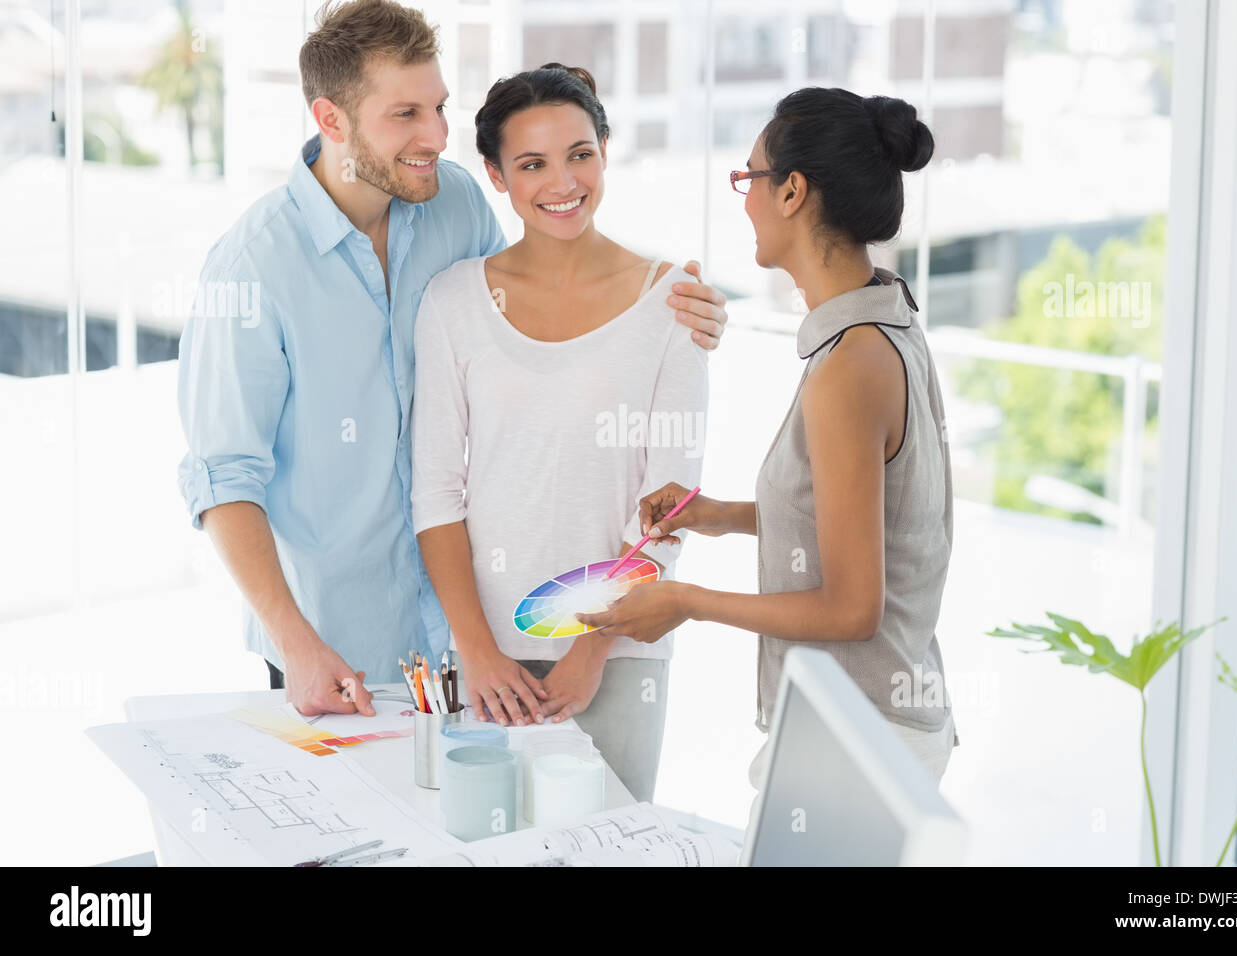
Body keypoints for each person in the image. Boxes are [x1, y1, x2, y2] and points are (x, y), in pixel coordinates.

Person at [175, 0, 728, 718]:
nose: (436, 136)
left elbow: (531, 318)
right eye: (405, 114)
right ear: (331, 119)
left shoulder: (455, 204)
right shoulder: (251, 270)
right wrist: (296, 642)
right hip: (339, 648)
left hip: (482, 632)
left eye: (438, 107)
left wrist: (673, 309)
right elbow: (222, 477)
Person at [576, 88, 959, 783]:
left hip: (859, 742)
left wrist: (684, 602)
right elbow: (865, 525)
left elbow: (852, 608)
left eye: (749, 177)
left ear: (792, 192)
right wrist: (719, 517)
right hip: (875, 729)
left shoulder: (850, 365)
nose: (744, 198)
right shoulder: (886, 321)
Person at [410, 64, 709, 802]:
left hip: (621, 648)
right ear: (496, 175)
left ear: (605, 149)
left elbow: (669, 502)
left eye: (580, 153)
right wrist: (476, 651)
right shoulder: (453, 302)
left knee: (612, 845)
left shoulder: (674, 302)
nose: (562, 181)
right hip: (488, 654)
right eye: (532, 164)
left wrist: (592, 646)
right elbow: (436, 491)